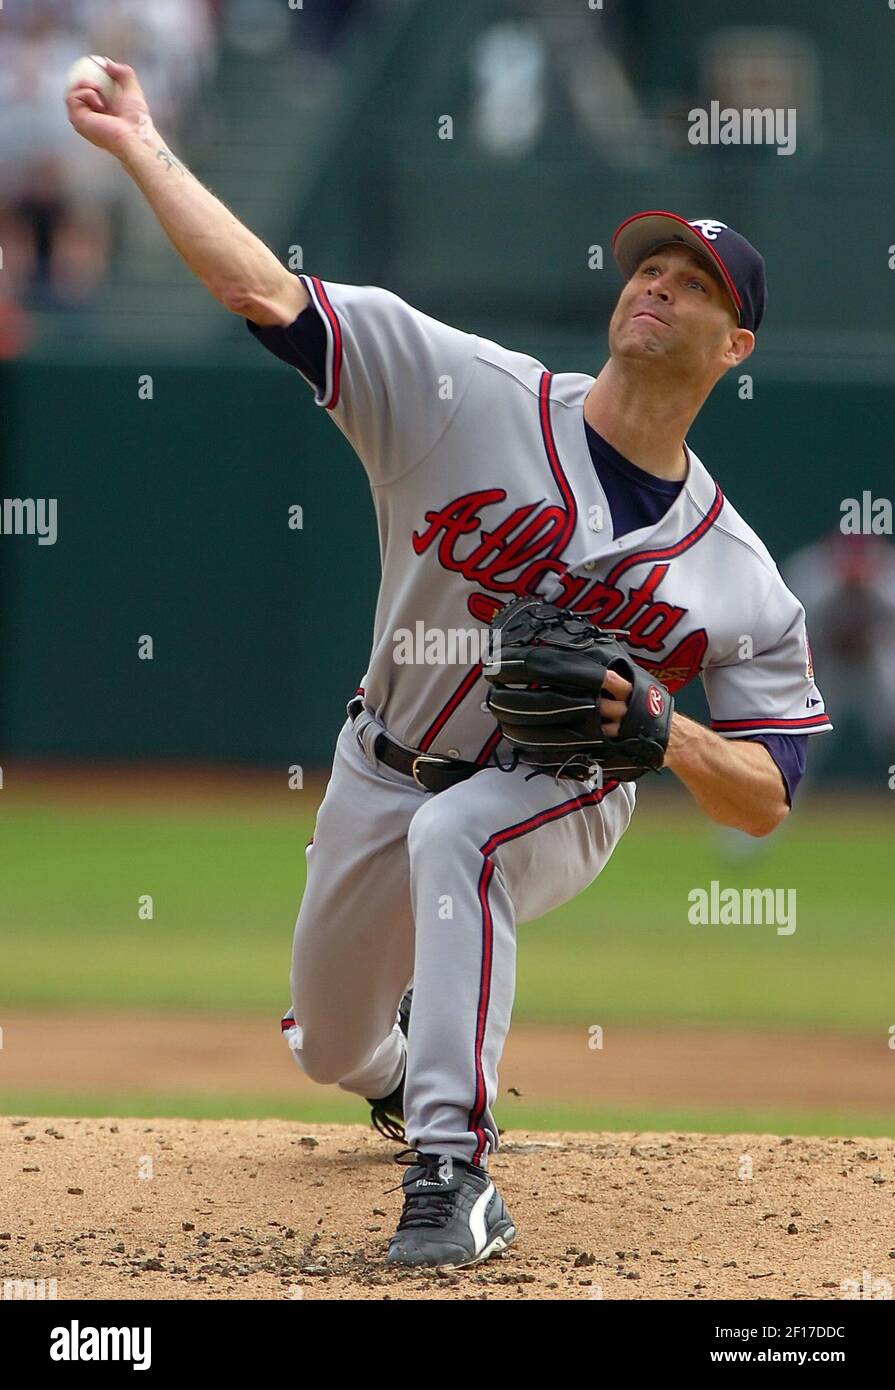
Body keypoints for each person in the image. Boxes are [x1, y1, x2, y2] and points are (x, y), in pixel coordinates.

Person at [67, 64, 832, 1271]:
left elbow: (769, 790)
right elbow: (262, 291)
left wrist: (664, 736)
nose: (658, 285)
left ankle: (453, 1175)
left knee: (460, 836)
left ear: (733, 344)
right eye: (649, 266)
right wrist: (141, 144)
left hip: (559, 787)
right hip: (380, 756)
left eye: (694, 286)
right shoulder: (461, 394)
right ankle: (409, 1050)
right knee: (325, 1043)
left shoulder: (735, 572)